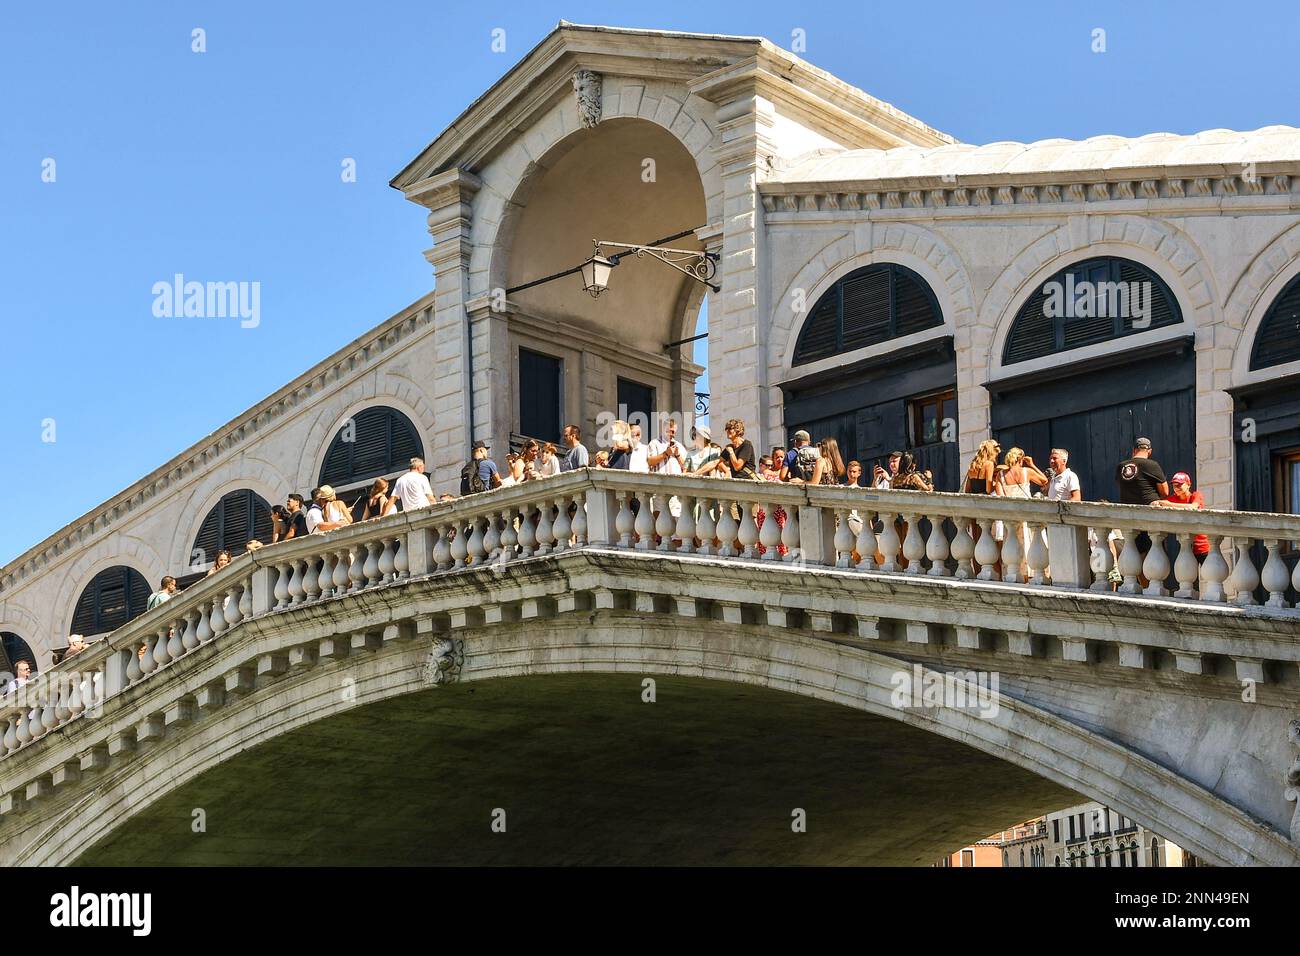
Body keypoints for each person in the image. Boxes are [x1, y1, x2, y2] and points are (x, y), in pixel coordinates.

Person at [1115, 437, 1169, 560]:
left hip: (1131, 517)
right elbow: (1165, 491)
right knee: (1155, 553)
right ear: (1149, 451)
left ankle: (1144, 580)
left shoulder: (1121, 467)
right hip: (1151, 515)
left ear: (1134, 450)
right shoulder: (1152, 465)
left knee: (1137, 555)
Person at [1153, 471, 1210, 562]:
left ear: (1188, 485)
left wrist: (1169, 504)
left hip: (1202, 546)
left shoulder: (1196, 495)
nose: (1177, 488)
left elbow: (1193, 507)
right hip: (1186, 544)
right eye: (1174, 485)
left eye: (1180, 485)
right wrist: (1157, 503)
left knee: (1209, 574)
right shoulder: (1173, 499)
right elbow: (1162, 504)